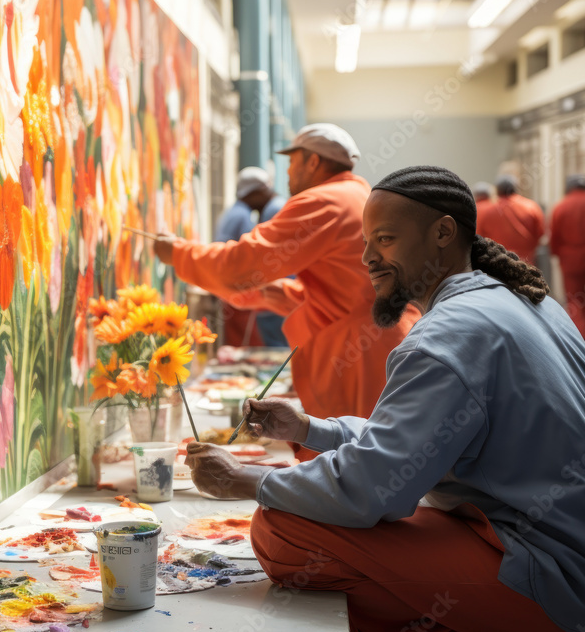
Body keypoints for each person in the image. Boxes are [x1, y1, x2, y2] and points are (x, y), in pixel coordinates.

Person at [184, 165, 585, 632]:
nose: (367, 257)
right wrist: (308, 429)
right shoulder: (523, 300)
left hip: (565, 588)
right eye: (365, 242)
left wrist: (241, 478)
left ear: (443, 232)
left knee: (280, 528)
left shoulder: (446, 335)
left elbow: (373, 490)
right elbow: (413, 445)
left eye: (384, 239)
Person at [153, 124, 419, 433]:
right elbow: (345, 289)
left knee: (353, 456)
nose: (288, 174)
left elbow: (243, 265)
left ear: (313, 162)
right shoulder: (356, 193)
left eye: (291, 163)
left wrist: (178, 253)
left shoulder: (324, 201)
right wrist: (277, 294)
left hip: (362, 350)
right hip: (381, 336)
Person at [213, 167, 287, 346]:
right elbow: (253, 255)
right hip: (241, 288)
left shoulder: (232, 212)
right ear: (255, 192)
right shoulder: (243, 216)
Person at [550, 174, 585, 342]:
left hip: (569, 257)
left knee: (574, 296)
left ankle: (580, 332)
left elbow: (555, 236)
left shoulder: (561, 207)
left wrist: (558, 254)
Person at [476, 175, 545, 265]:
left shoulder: (488, 212)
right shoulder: (531, 207)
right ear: (516, 188)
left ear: (497, 191)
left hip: (498, 262)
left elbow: (481, 237)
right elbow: (540, 234)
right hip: (527, 261)